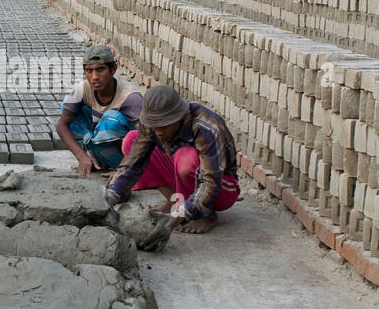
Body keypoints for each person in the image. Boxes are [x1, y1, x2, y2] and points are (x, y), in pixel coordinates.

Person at [104, 84, 240, 235]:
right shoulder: (152, 122)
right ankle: (177, 200)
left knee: (185, 159)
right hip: (187, 175)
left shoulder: (206, 127)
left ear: (180, 118)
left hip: (222, 186)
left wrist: (176, 219)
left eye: (164, 126)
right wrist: (108, 198)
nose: (159, 132)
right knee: (131, 140)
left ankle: (205, 214)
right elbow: (133, 162)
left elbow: (211, 181)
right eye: (155, 126)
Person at [55, 44, 143, 176]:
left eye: (100, 69)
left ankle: (117, 164)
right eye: (89, 71)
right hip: (98, 138)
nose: (95, 77)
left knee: (111, 119)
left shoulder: (130, 97)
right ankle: (95, 159)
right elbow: (61, 125)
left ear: (113, 69)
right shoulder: (83, 89)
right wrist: (82, 157)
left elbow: (146, 138)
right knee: (67, 105)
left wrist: (126, 169)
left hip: (128, 154)